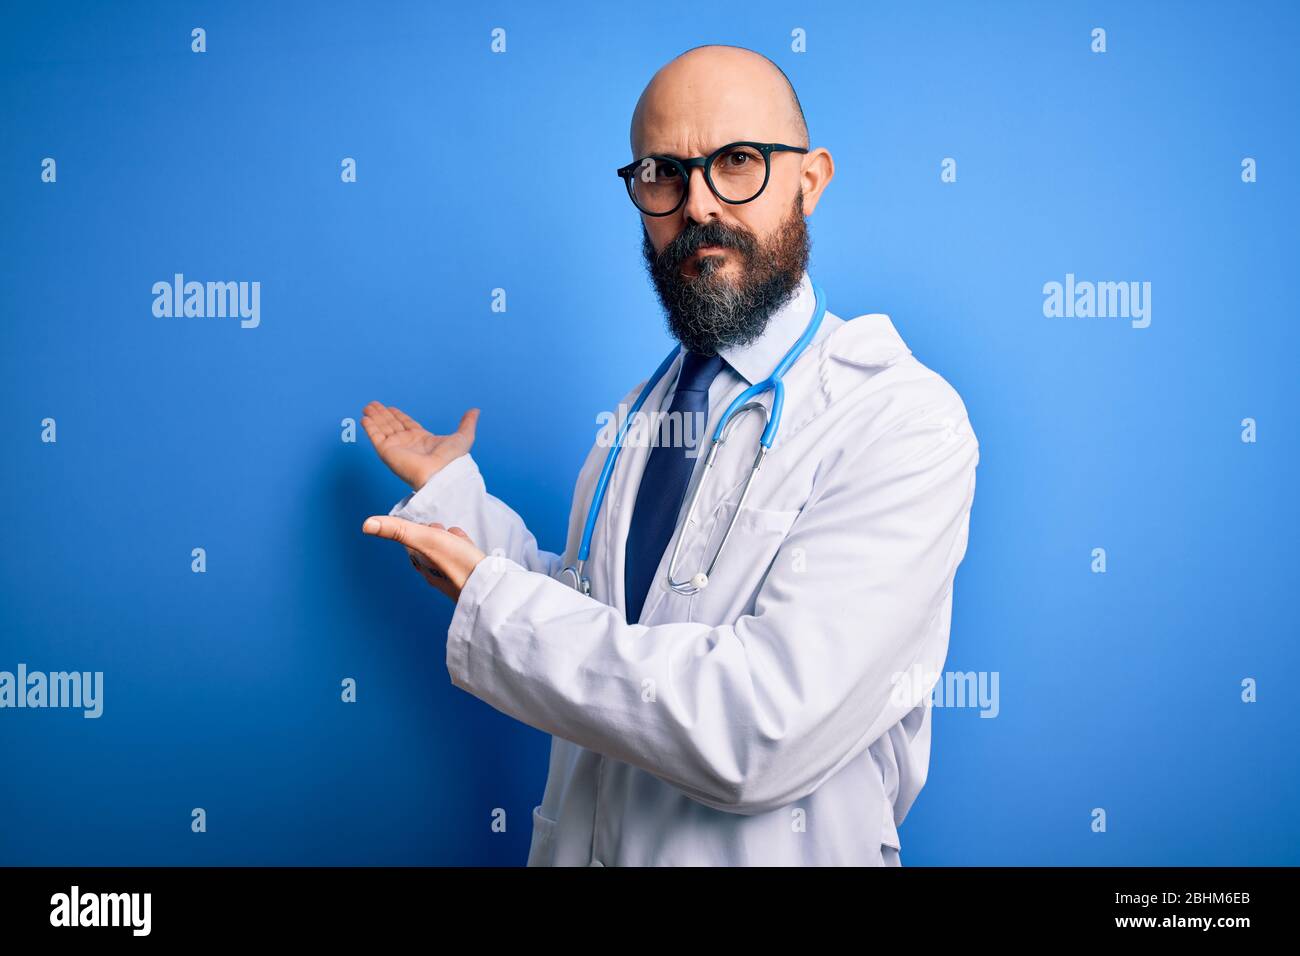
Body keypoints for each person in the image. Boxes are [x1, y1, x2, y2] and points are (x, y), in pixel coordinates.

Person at [358, 44, 979, 866]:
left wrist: (496, 606)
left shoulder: (901, 421)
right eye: (663, 173)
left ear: (811, 179)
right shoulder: (644, 415)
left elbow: (760, 728)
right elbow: (606, 628)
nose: (698, 204)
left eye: (737, 162)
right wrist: (455, 502)